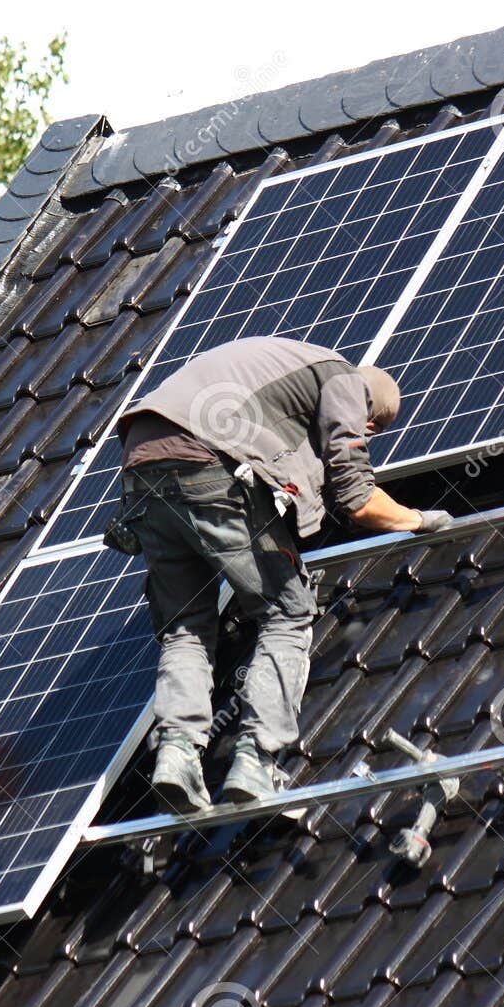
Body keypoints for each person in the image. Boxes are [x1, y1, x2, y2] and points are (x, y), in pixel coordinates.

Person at [117, 335, 452, 815]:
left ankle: (177, 755)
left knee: (185, 628)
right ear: (370, 416)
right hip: (207, 460)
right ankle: (254, 761)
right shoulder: (343, 379)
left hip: (141, 462)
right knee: (287, 612)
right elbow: (357, 496)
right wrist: (418, 519)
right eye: (370, 430)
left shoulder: (286, 366)